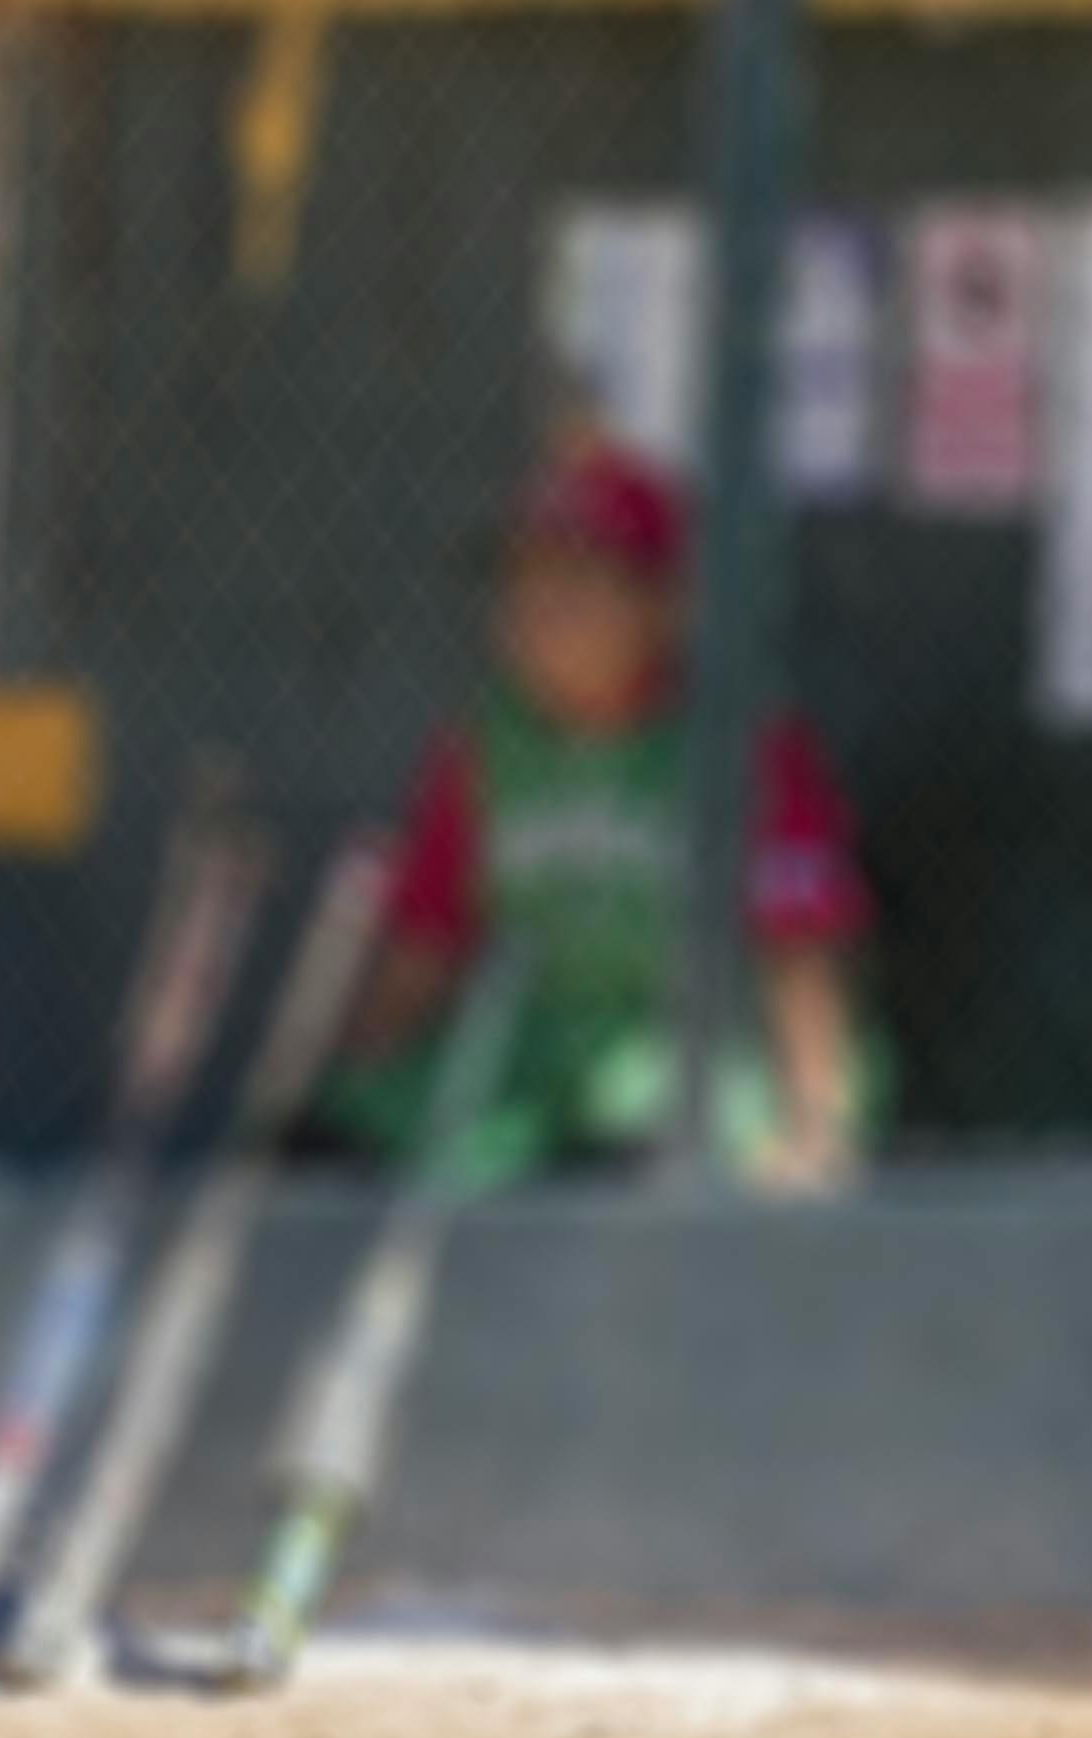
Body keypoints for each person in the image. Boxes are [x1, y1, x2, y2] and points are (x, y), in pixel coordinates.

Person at [326, 434, 883, 1190]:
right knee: (346, 1141)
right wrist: (359, 1075)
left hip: (708, 1058)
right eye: (520, 583)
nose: (536, 610)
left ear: (667, 604)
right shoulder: (484, 747)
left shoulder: (746, 747)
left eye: (576, 581)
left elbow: (801, 947)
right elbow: (429, 938)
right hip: (531, 1056)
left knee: (642, 1164)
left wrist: (816, 1126)